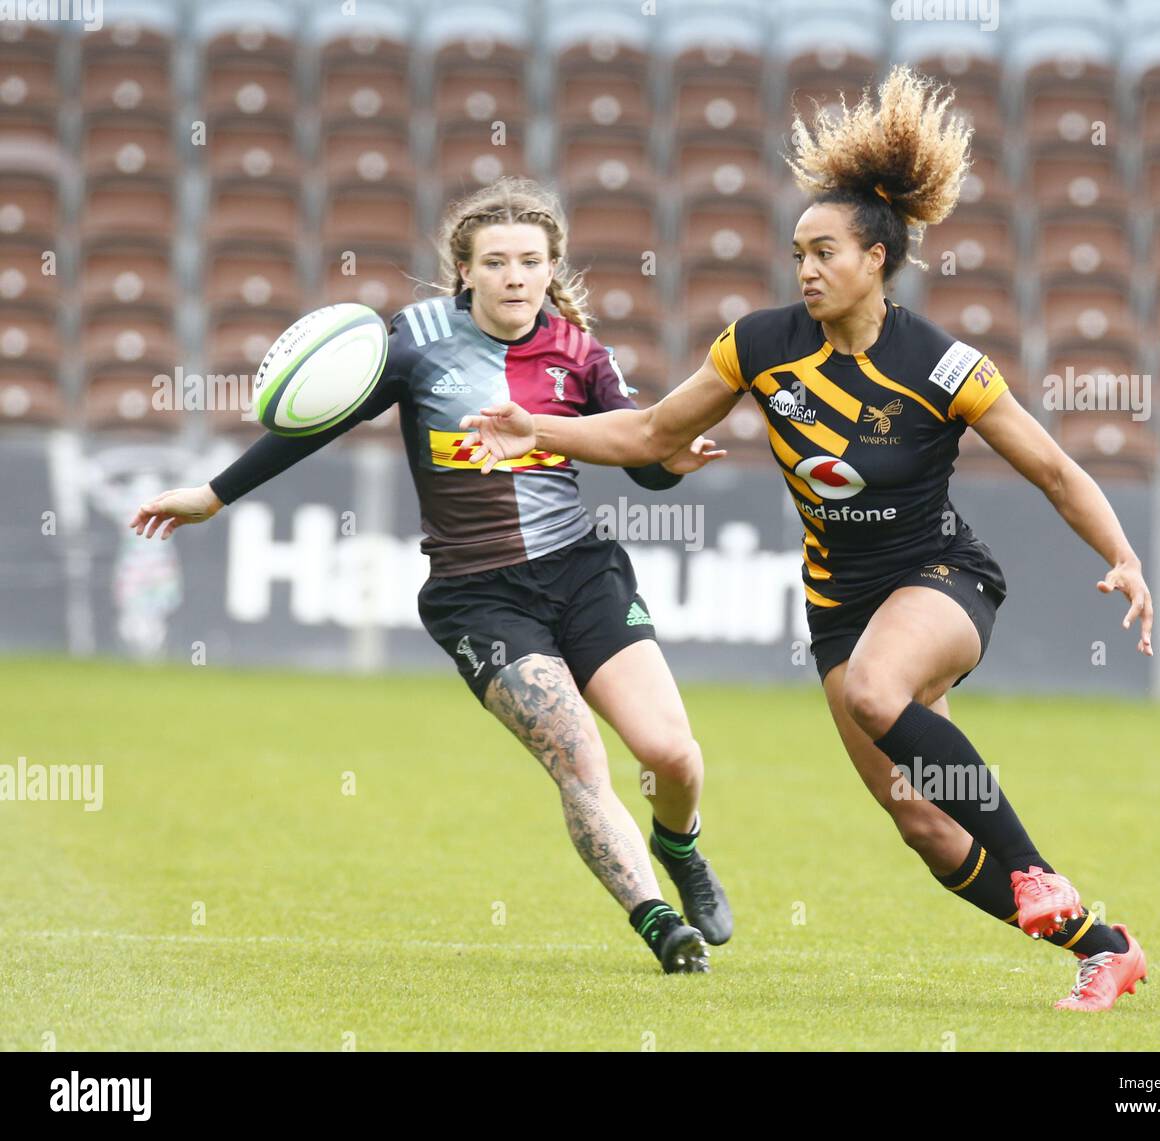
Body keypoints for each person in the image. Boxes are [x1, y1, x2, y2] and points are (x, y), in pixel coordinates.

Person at [460, 69, 1153, 1011]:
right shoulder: (758, 343)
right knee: (923, 822)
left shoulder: (942, 364)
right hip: (838, 608)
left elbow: (1057, 473)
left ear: (877, 258)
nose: (806, 270)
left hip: (941, 579)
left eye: (825, 251)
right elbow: (650, 435)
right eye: (798, 253)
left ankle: (1037, 873)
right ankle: (1104, 947)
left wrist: (1121, 555)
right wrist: (539, 429)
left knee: (878, 691)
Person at [128, 177, 733, 974]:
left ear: (551, 269)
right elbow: (318, 422)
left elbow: (640, 457)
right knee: (579, 757)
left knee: (674, 756)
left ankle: (680, 849)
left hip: (583, 574)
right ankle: (659, 922)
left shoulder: (584, 356)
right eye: (497, 261)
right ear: (466, 270)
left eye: (530, 260)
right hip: (478, 595)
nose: (515, 275)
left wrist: (673, 465)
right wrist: (213, 493)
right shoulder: (410, 341)